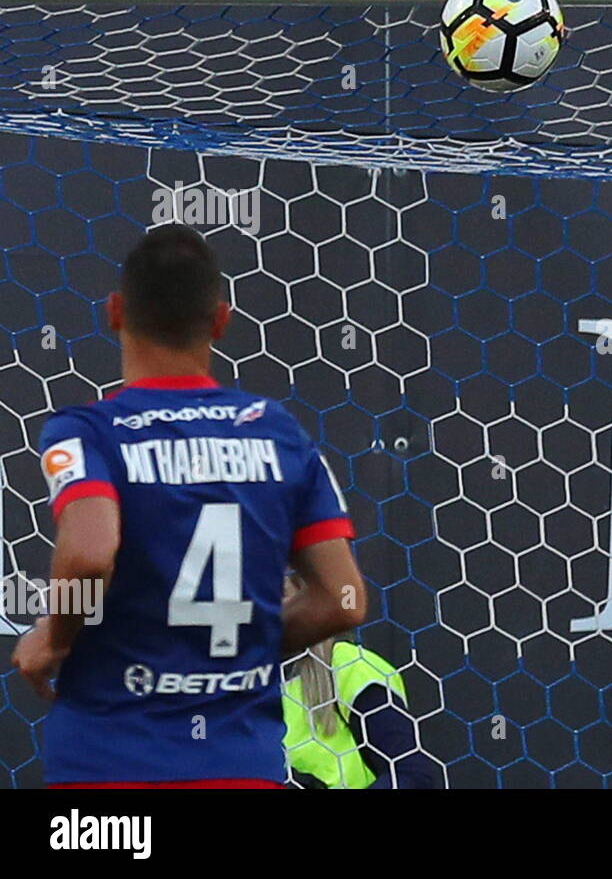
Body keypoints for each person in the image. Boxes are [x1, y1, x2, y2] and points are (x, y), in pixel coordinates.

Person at [12, 224, 366, 788]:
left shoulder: (87, 432)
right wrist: (234, 656)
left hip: (107, 767)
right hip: (239, 765)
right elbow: (344, 600)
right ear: (221, 320)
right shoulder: (280, 434)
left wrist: (53, 638)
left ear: (115, 311)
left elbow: (88, 555)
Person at [282, 576, 439, 789]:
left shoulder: (349, 666)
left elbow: (412, 775)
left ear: (309, 599)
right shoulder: (244, 688)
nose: (264, 607)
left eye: (279, 594)